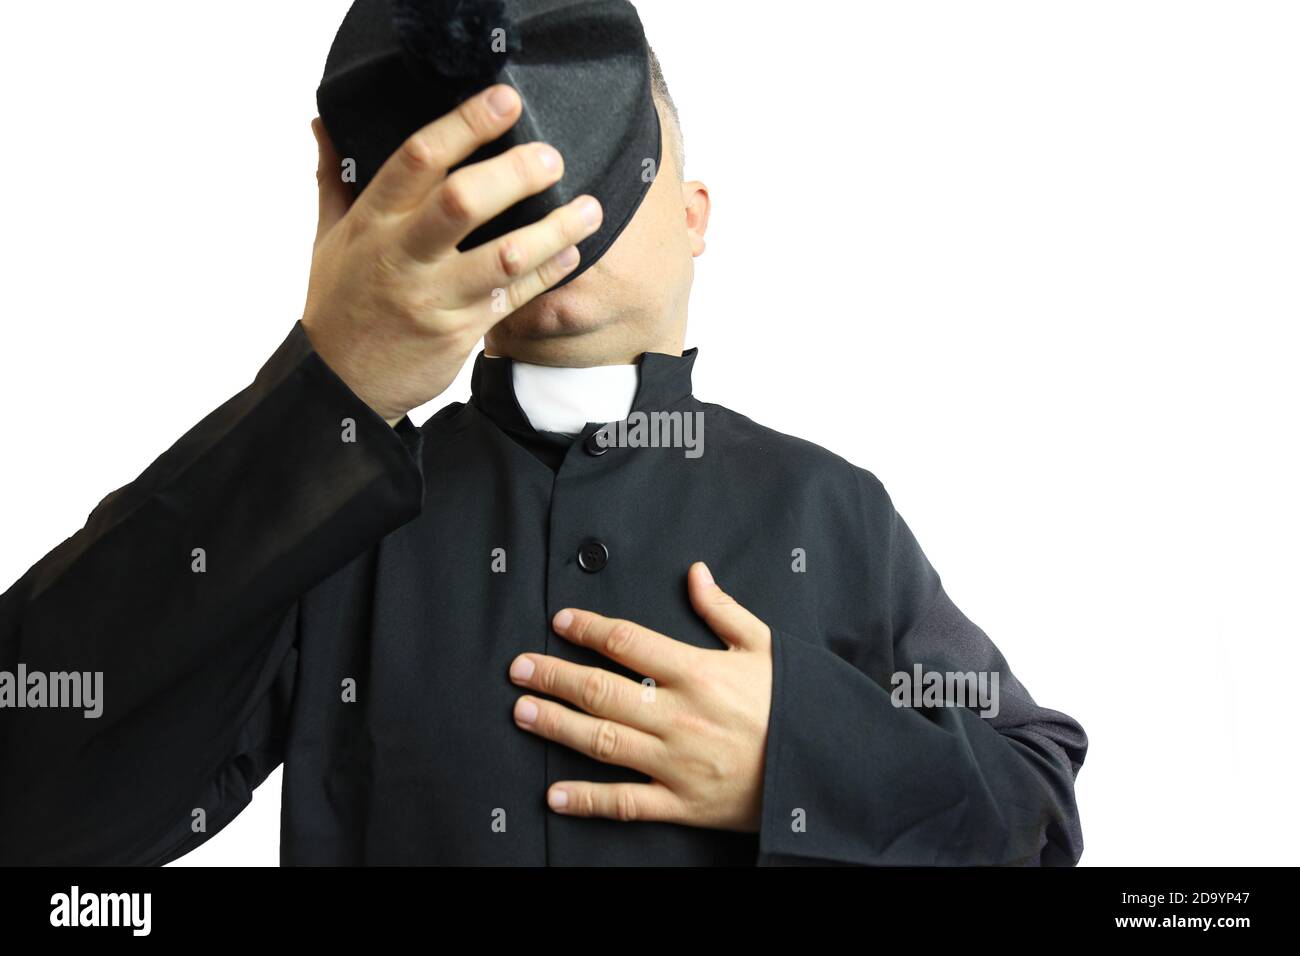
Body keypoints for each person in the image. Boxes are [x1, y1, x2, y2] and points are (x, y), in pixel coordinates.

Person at [0, 31, 1087, 865]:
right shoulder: (330, 517)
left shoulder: (831, 508)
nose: (556, 200)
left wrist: (798, 753)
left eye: (596, 155)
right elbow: (32, 798)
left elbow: (1034, 807)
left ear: (694, 215)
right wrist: (325, 390)